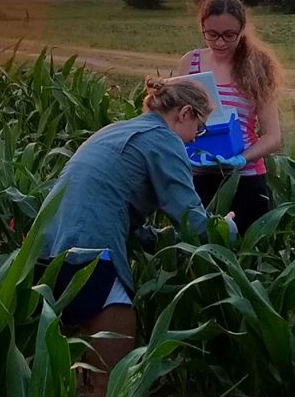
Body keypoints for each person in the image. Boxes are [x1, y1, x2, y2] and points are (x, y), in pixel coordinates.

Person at [37, 77, 237, 396]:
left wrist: (158, 238)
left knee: (78, 371)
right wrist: (227, 228)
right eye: (198, 129)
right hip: (92, 256)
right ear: (185, 113)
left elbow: (111, 200)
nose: (193, 140)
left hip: (49, 252)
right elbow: (192, 219)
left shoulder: (117, 130)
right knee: (113, 375)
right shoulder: (163, 140)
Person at [175, 0, 284, 234]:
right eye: (212, 35)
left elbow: (273, 136)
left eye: (229, 35)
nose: (220, 43)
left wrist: (241, 158)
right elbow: (172, 119)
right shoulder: (189, 63)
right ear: (202, 27)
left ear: (242, 29)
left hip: (244, 179)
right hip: (198, 176)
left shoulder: (258, 66)